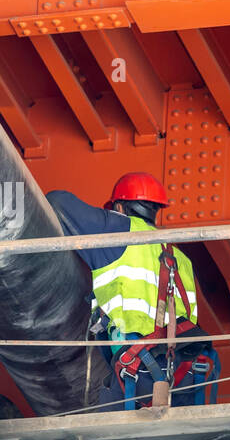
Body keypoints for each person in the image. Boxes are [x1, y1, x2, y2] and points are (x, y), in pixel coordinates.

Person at [48, 173, 218, 411]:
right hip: (183, 373)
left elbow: (57, 201)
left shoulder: (116, 229)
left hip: (136, 371)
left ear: (119, 206)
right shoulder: (181, 257)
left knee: (107, 438)